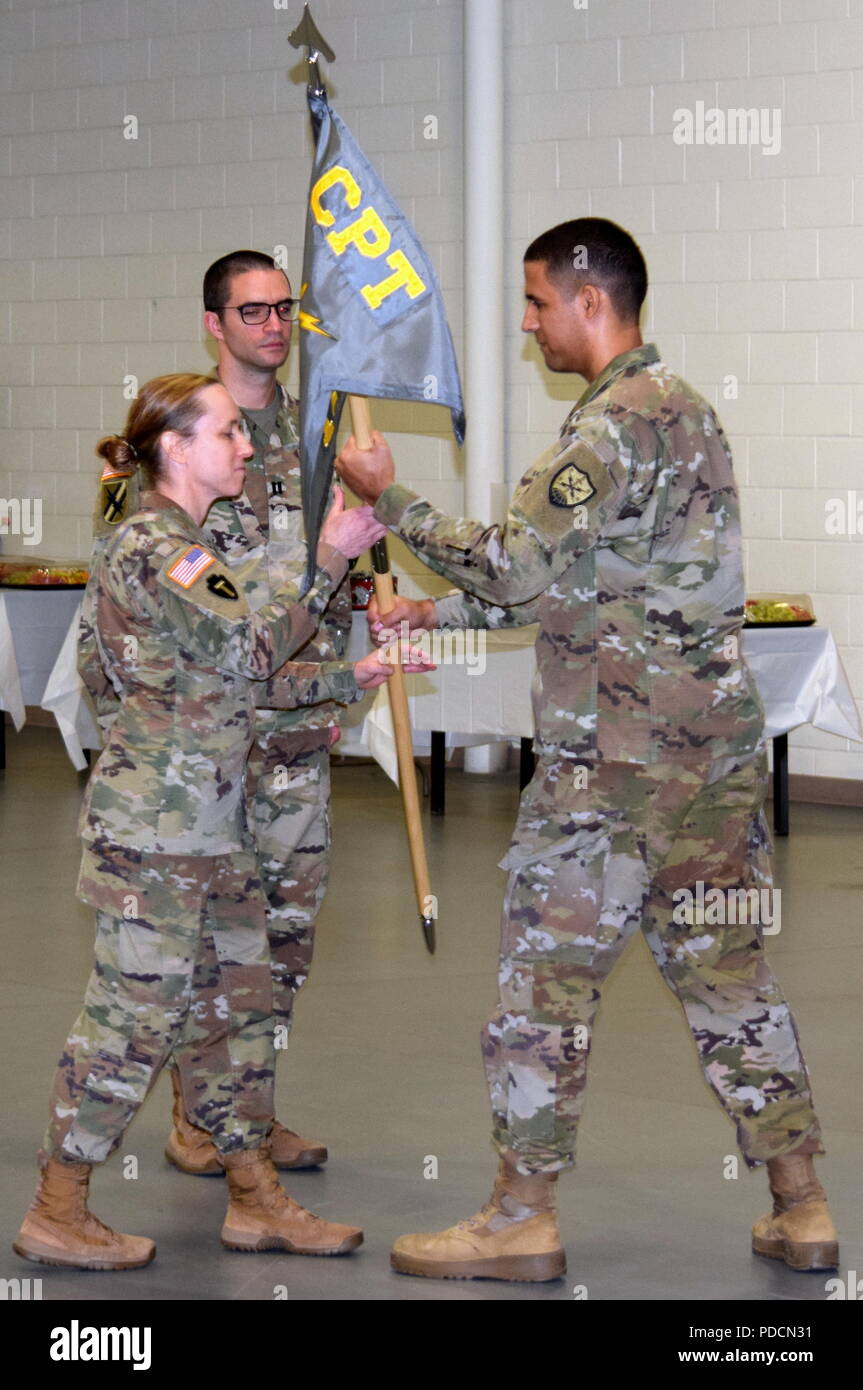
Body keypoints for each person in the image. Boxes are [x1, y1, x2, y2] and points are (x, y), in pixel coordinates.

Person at [336, 218, 838, 1283]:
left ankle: (521, 1217)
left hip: (612, 770)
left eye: (534, 303)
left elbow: (514, 569)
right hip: (711, 760)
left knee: (542, 987)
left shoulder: (605, 430)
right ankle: (800, 1206)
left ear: (588, 299)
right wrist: (441, 628)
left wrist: (392, 499)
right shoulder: (689, 412)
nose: (528, 323)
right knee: (730, 981)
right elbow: (600, 586)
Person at [13, 372, 414, 1270]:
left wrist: (347, 682)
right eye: (228, 434)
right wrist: (333, 558)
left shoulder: (186, 545)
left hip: (212, 825)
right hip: (160, 837)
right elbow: (253, 645)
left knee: (237, 1012)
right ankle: (58, 1203)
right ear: (175, 449)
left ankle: (254, 1198)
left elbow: (233, 678)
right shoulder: (163, 549)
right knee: (132, 1021)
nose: (245, 447)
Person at [83, 250, 360, 1178]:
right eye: (253, 311)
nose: (274, 324)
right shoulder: (178, 439)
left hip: (292, 734)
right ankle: (197, 1122)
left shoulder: (318, 439)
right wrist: (155, 743)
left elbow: (330, 580)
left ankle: (250, 1112)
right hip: (202, 754)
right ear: (215, 323)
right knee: (192, 957)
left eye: (286, 308)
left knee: (273, 951)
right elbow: (113, 628)